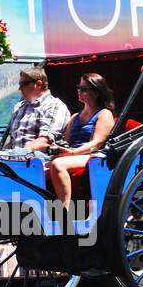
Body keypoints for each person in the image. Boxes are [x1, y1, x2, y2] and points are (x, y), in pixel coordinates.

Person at [47, 73, 115, 212]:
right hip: (74, 153)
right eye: (79, 87)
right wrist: (60, 149)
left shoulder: (104, 114)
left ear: (95, 92)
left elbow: (96, 143)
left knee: (58, 164)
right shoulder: (75, 117)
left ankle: (65, 208)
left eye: (83, 88)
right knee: (39, 169)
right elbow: (66, 142)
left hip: (94, 155)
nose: (79, 91)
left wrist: (72, 152)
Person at [0, 67, 70, 159]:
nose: (20, 88)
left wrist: (17, 153)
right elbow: (13, 142)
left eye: (24, 84)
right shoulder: (19, 106)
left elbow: (45, 141)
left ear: (38, 84)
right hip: (16, 155)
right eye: (19, 84)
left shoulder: (55, 105)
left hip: (40, 156)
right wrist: (0, 155)